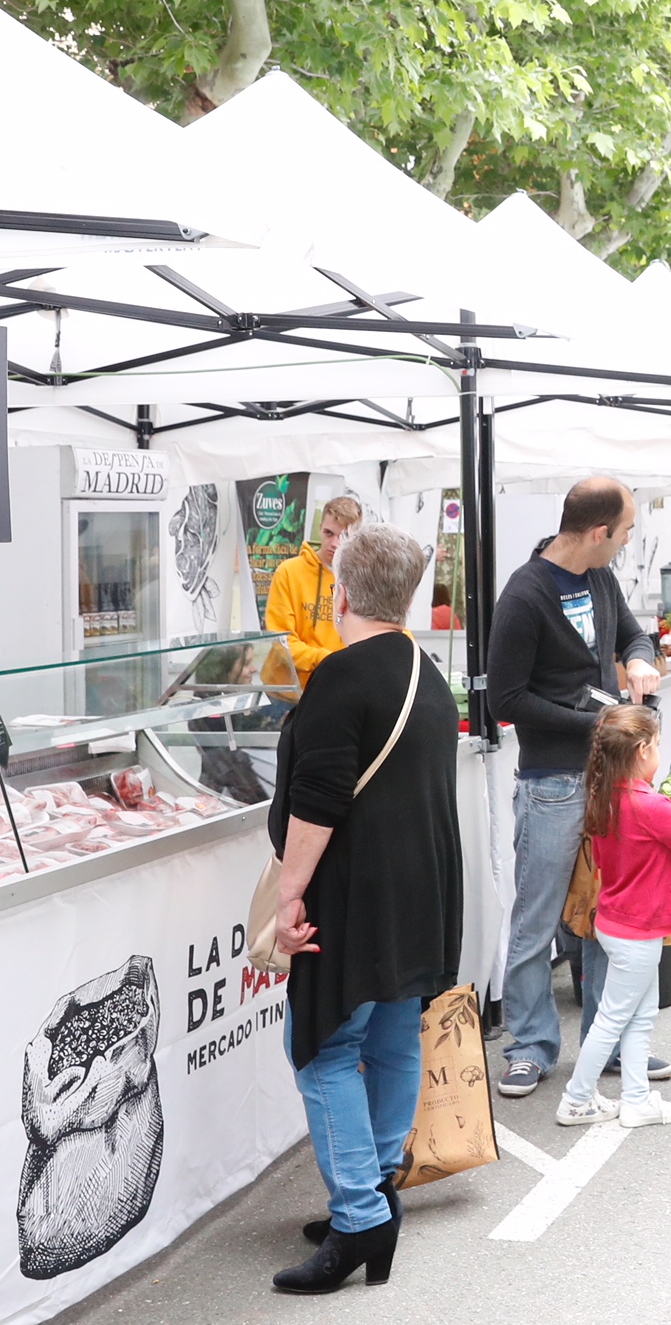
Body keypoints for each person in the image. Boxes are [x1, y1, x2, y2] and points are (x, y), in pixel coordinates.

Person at [270, 524, 461, 1294]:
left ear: (340, 592)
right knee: (390, 1039)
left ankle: (359, 1216)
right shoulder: (427, 670)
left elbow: (317, 803)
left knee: (321, 1050)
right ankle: (377, 1194)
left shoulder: (342, 677)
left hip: (354, 894)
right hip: (421, 889)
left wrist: (289, 894)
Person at [485, 478, 663, 1099]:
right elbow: (506, 700)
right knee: (537, 922)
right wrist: (597, 723)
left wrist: (638, 658)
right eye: (627, 530)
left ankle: (604, 1043)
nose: (629, 540)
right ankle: (529, 1046)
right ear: (598, 532)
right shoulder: (525, 595)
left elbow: (633, 635)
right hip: (553, 783)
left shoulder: (600, 577)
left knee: (608, 916)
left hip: (605, 779)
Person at [556, 704, 671, 1129]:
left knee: (637, 1015)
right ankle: (576, 1099)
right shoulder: (651, 804)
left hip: (617, 921)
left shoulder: (604, 796)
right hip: (640, 928)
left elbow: (632, 855)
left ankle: (636, 1100)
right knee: (614, 1018)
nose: (659, 753)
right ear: (641, 750)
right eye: (657, 745)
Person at [267, 496, 363, 686]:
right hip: (288, 690)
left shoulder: (363, 578)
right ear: (320, 528)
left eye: (344, 536)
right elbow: (281, 640)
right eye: (329, 533)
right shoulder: (288, 572)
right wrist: (329, 661)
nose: (334, 543)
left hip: (339, 685)